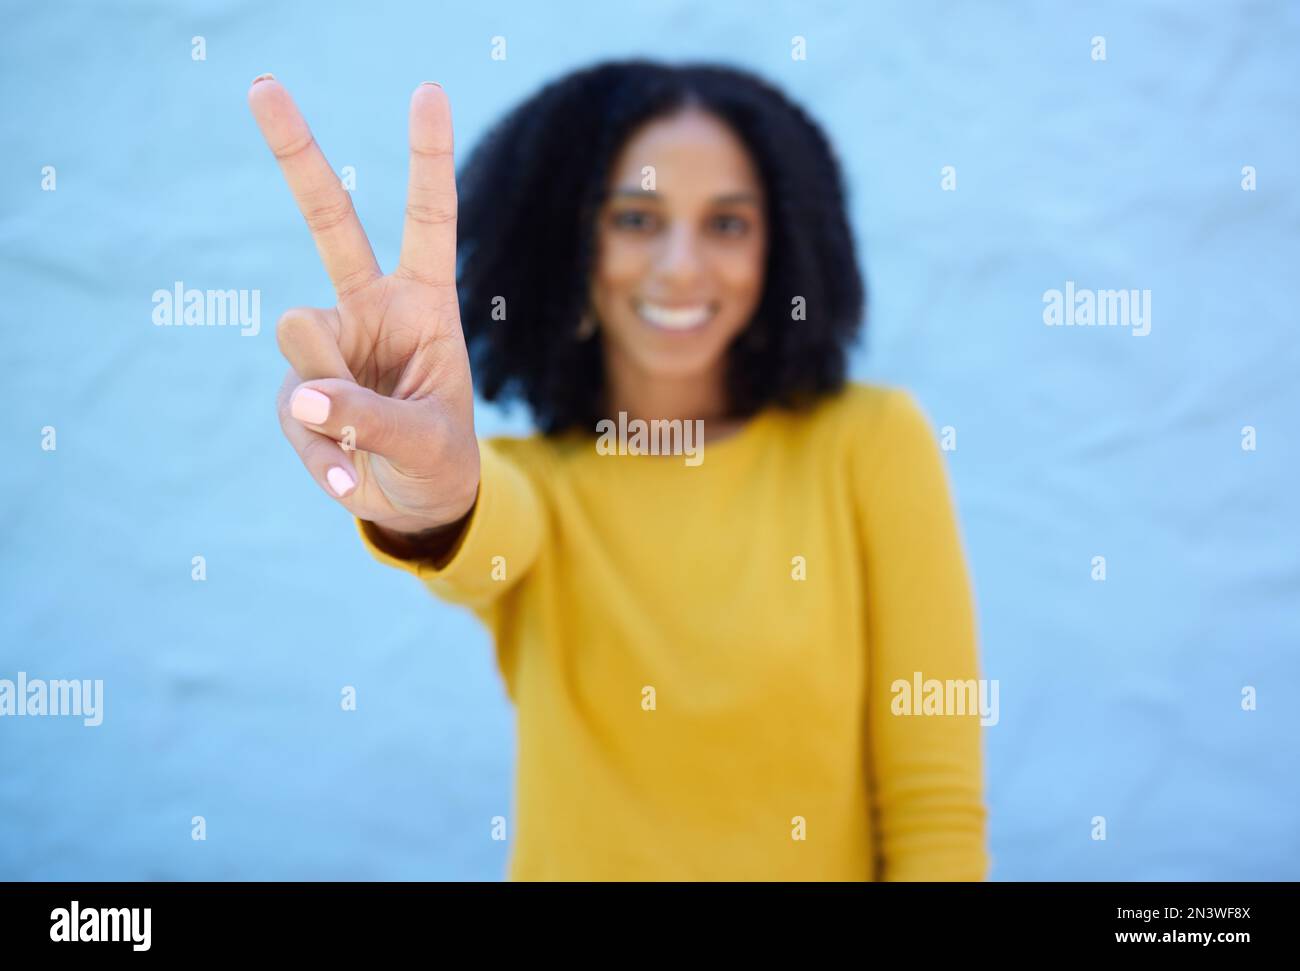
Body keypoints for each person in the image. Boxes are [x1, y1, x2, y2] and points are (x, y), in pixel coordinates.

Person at [247, 60, 990, 881]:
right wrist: (436, 495)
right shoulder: (536, 489)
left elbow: (935, 811)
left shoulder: (870, 445)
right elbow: (486, 518)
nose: (679, 264)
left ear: (782, 247)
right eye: (637, 219)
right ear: (572, 240)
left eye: (728, 224)